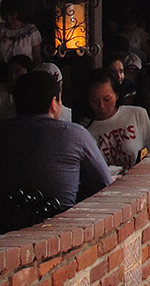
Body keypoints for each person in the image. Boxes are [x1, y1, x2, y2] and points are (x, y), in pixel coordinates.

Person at [0, 71, 111, 210]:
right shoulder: (75, 135)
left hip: (7, 227)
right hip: (63, 226)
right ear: (54, 103)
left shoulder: (4, 132)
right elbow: (105, 183)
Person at [85, 68, 150, 171]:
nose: (102, 106)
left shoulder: (137, 115)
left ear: (117, 95)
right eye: (95, 101)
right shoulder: (88, 132)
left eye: (107, 99)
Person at [0, 0, 41, 66]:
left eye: (11, 15)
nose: (8, 18)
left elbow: (37, 57)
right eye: (5, 15)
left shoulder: (30, 31)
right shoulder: (1, 30)